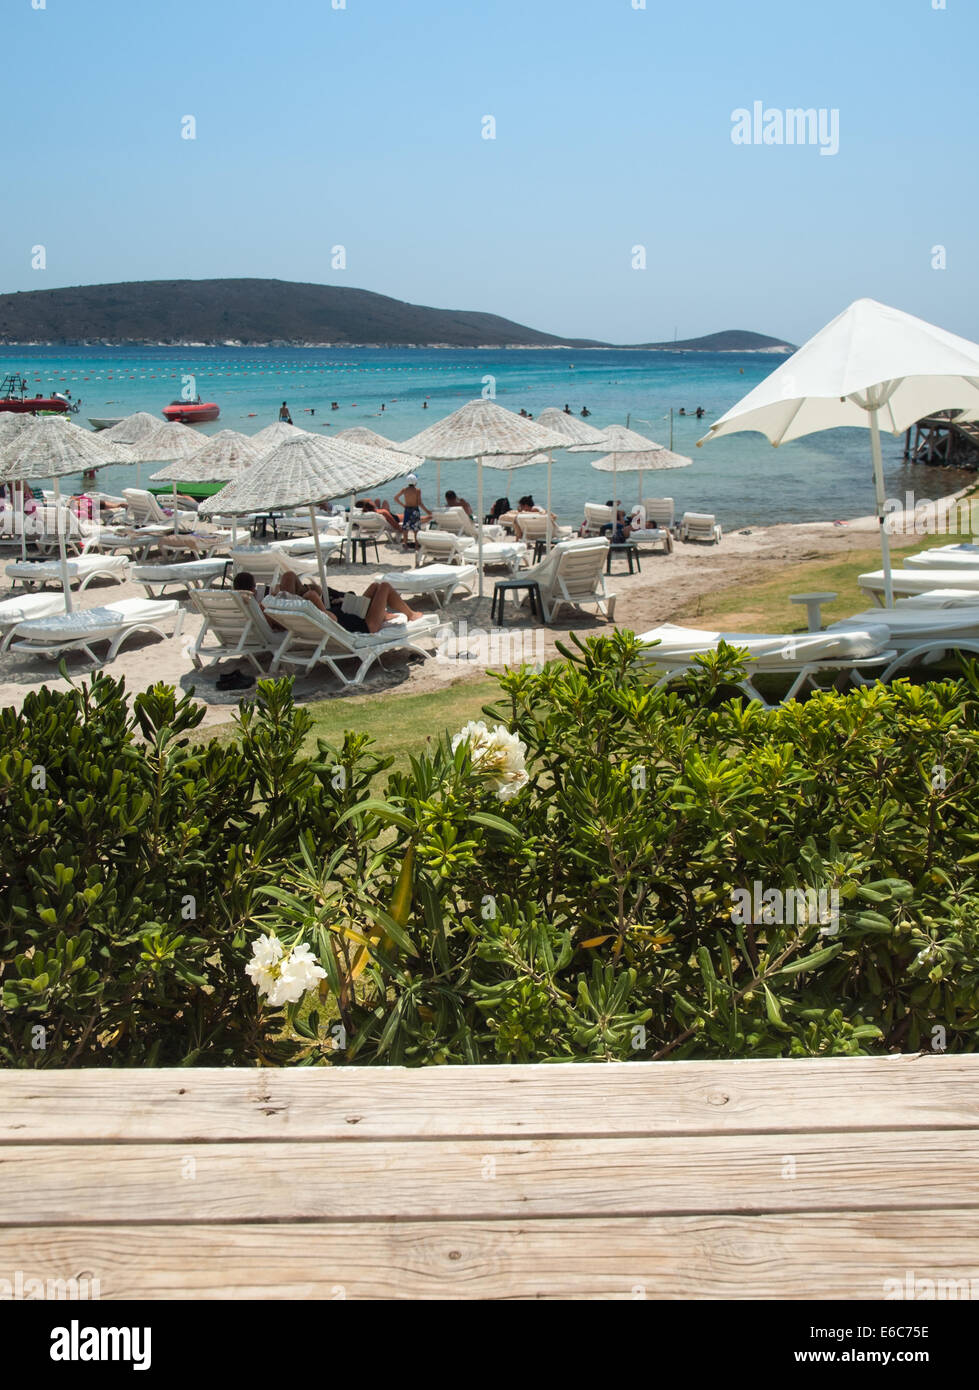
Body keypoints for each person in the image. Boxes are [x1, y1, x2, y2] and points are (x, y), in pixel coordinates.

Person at [394, 474, 430, 550]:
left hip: (407, 510)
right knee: (416, 529)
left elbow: (396, 498)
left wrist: (403, 505)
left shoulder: (404, 490)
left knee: (405, 529)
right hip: (415, 510)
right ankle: (416, 546)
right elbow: (420, 503)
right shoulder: (417, 490)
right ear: (415, 482)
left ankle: (405, 545)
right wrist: (427, 511)